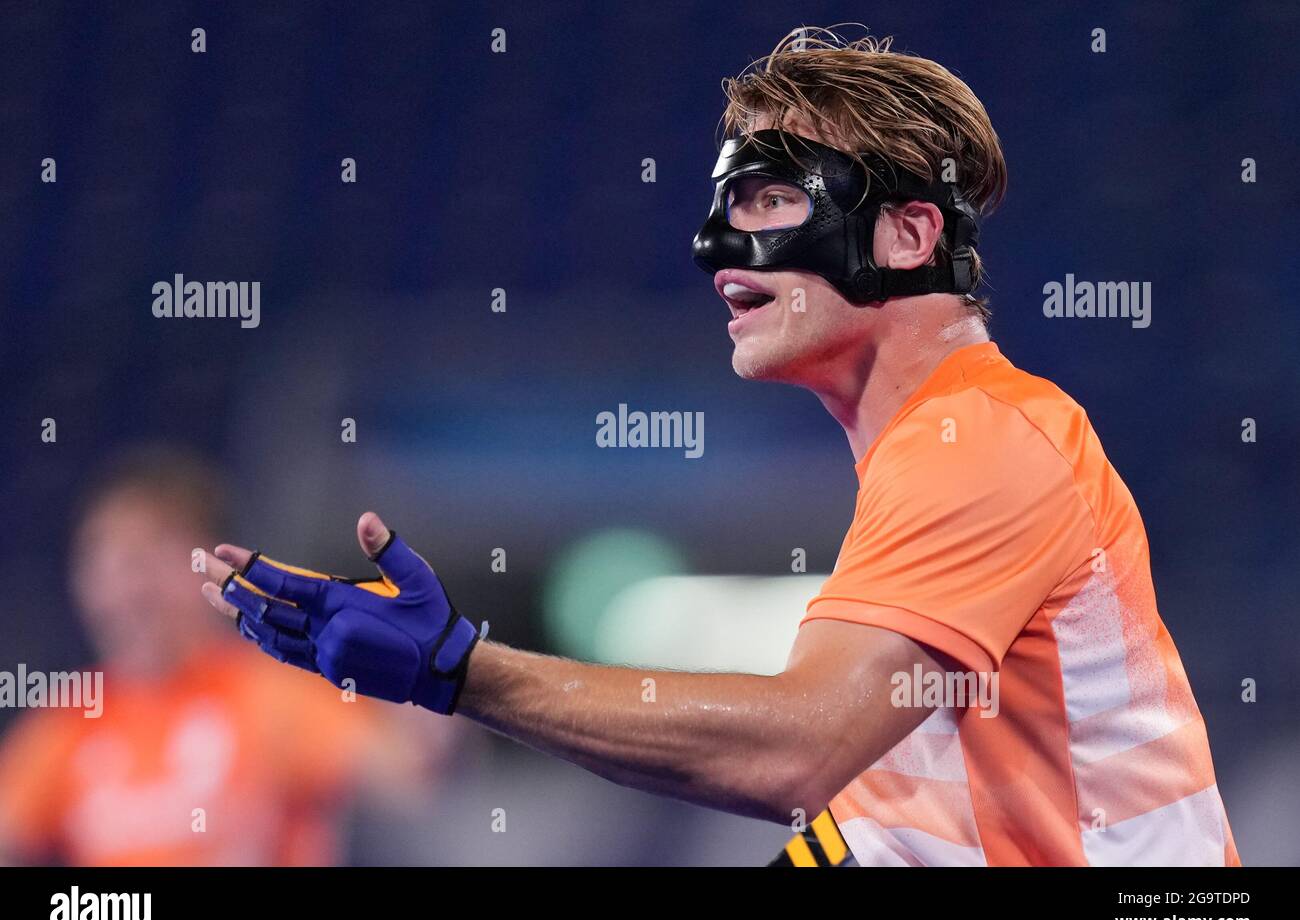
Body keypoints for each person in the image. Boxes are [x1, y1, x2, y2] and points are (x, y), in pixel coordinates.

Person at [196, 28, 1237, 866]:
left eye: (768, 199)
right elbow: (857, 808)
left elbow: (794, 745)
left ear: (908, 236)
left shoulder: (980, 443)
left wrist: (461, 670)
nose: (712, 247)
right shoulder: (941, 480)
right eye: (721, 205)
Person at [0, 446, 430, 865]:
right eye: (106, 565)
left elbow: (413, 772)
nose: (127, 594)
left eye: (147, 562)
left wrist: (426, 664)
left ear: (213, 569)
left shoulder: (269, 693)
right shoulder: (70, 721)